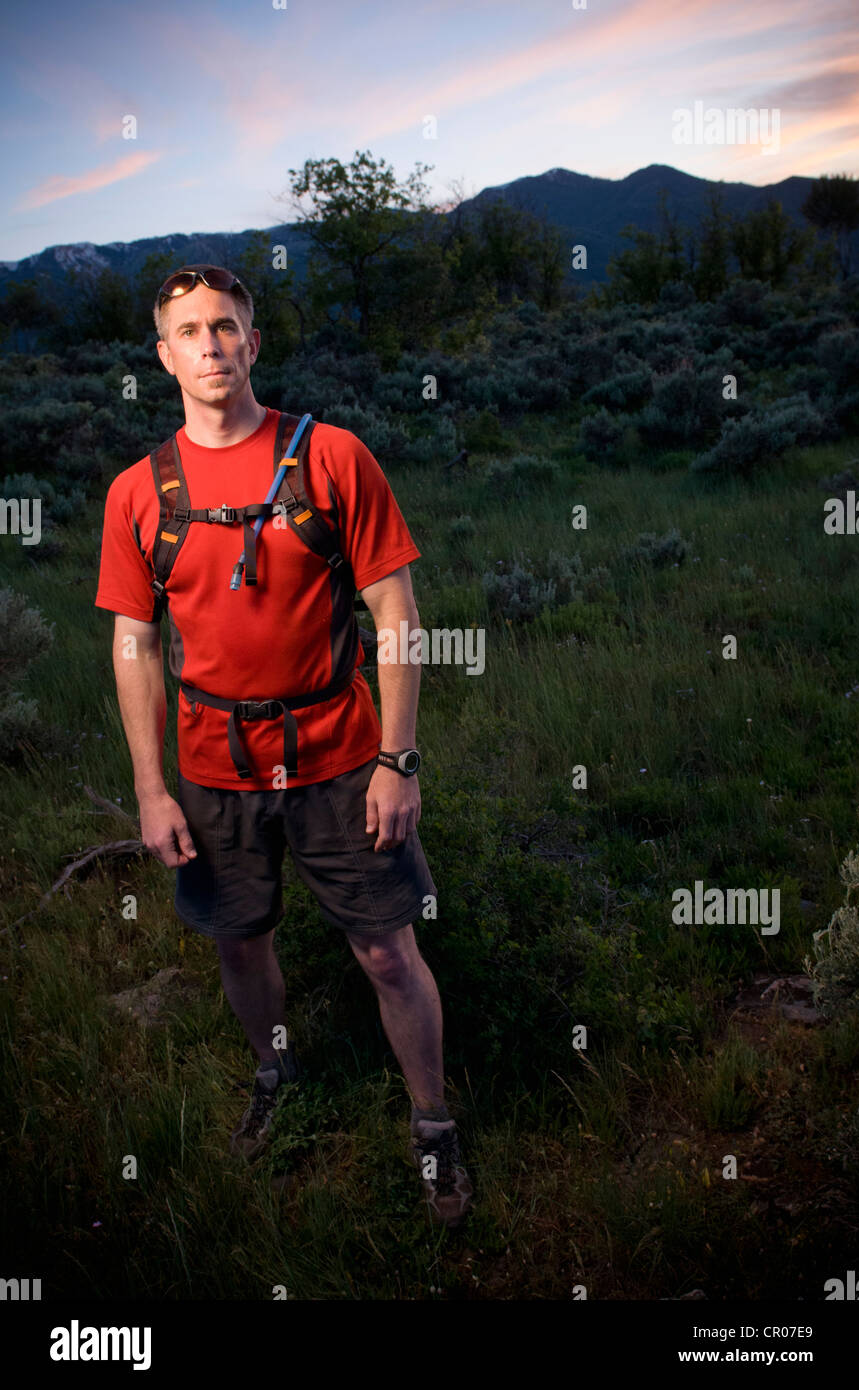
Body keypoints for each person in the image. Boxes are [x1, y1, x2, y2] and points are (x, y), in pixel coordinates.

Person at [94, 264, 473, 1228]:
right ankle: (277, 1075)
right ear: (163, 355)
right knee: (240, 939)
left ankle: (433, 1125)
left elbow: (395, 612)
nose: (211, 345)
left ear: (252, 344)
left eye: (227, 326)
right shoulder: (138, 493)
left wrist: (399, 760)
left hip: (342, 758)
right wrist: (150, 787)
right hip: (213, 766)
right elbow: (134, 644)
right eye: (189, 331)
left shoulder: (333, 456)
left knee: (386, 950)